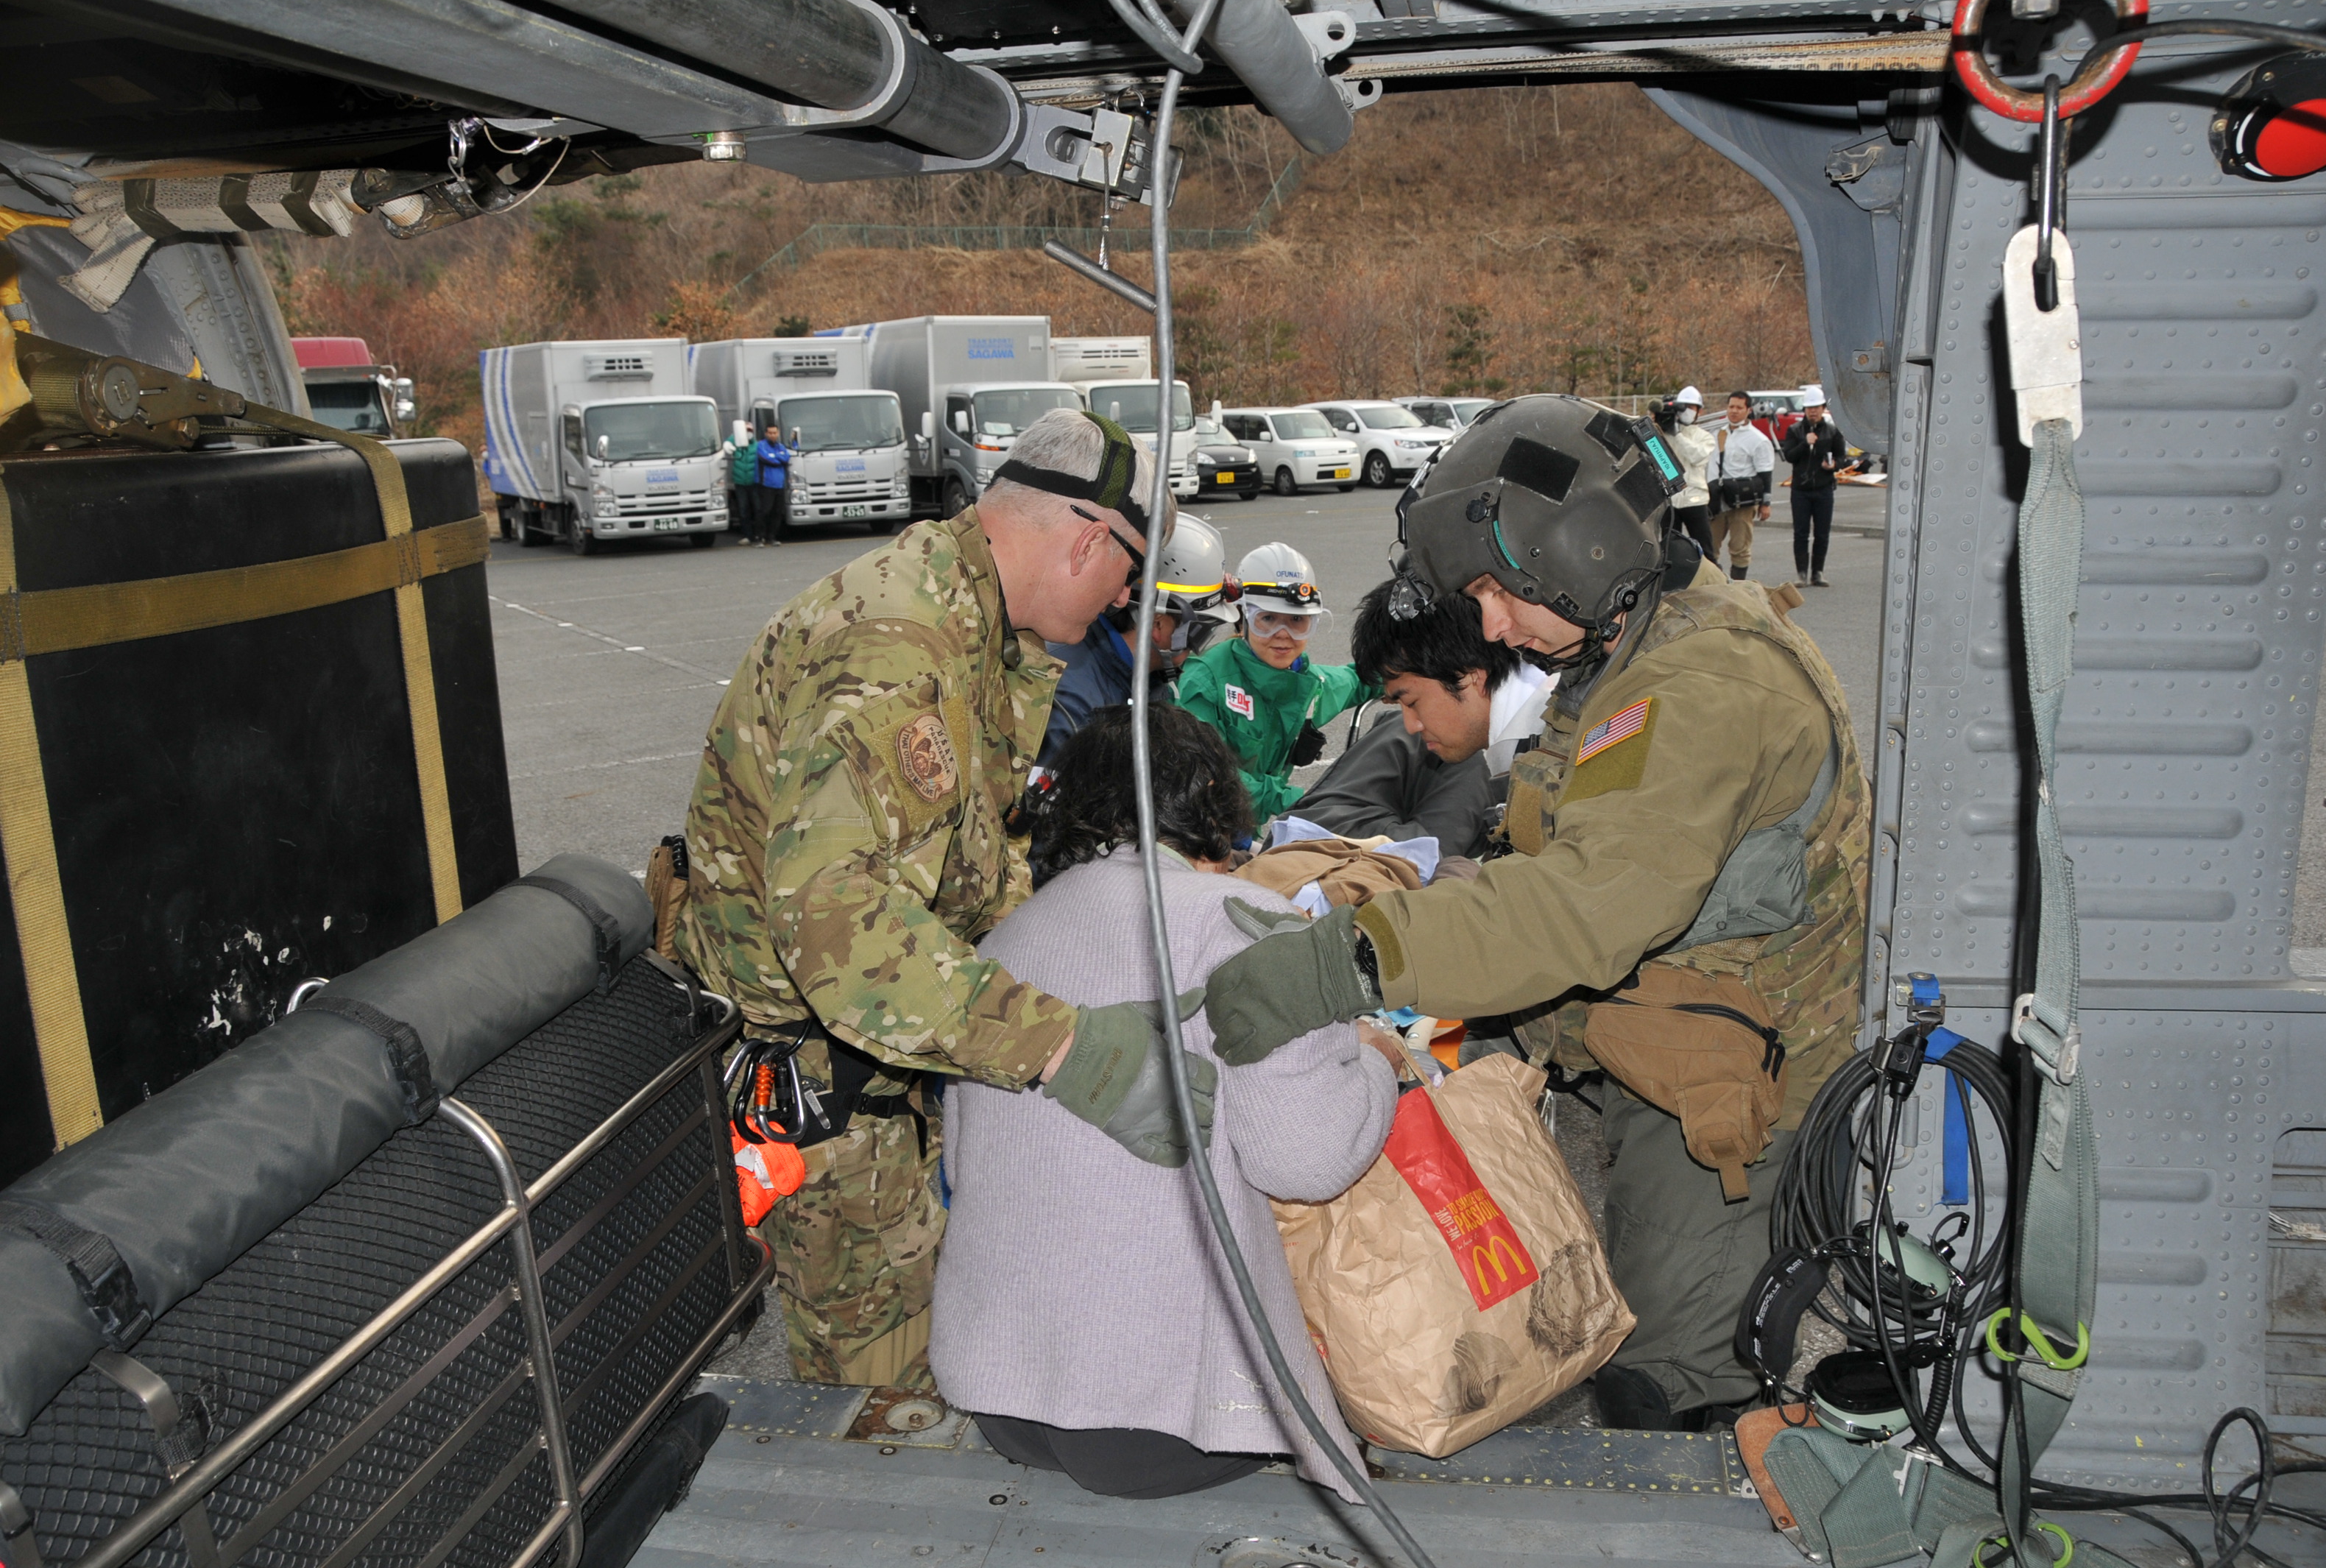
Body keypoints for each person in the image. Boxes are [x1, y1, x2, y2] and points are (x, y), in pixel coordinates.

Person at [1200, 395, 1870, 1433]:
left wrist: (1351, 960)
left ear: (1584, 550)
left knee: (1662, 1390)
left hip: (1730, 1086)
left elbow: (1583, 909)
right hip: (1661, 1037)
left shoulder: (1705, 685)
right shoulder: (1630, 648)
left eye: (1499, 596)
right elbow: (1570, 849)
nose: (1496, 628)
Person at [676, 409, 1213, 1387]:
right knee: (896, 1401)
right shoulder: (900, 641)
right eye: (1129, 574)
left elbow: (964, 864)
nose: (1129, 600)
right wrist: (1065, 1047)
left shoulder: (964, 626)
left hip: (883, 1080)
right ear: (1090, 537)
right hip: (832, 1111)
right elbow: (843, 926)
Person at [933, 704, 1394, 1502]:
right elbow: (1309, 1159)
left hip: (997, 1389)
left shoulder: (1000, 945)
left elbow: (966, 1162)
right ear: (1213, 802)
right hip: (1176, 1421)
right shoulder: (1249, 924)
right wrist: (1380, 1064)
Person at [1287, 579, 1548, 858]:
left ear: (1471, 675)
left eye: (1412, 702)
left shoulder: (1554, 749)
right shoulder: (1524, 728)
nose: (1411, 725)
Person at [1174, 542, 1376, 827]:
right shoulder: (1206, 681)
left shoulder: (1311, 686)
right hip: (1194, 830)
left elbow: (1362, 681)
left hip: (1246, 830)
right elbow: (1209, 774)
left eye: (1297, 621)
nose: (1283, 635)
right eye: (1267, 619)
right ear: (1243, 617)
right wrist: (1300, 800)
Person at [1041, 512, 1237, 761]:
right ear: (1157, 625)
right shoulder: (1072, 703)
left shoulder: (1145, 675)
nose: (1198, 649)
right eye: (1201, 632)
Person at [1702, 389, 1773, 581]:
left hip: (1743, 501)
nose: (1734, 411)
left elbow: (1766, 473)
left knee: (1740, 548)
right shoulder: (1715, 432)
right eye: (1731, 406)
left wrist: (1766, 503)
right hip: (1716, 498)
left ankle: (1738, 588)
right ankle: (1712, 588)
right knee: (1709, 547)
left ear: (1748, 410)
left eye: (1739, 408)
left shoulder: (1758, 440)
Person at [1781, 384, 1839, 587]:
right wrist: (1805, 443)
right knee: (1801, 532)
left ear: (1823, 408)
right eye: (1809, 408)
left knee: (1822, 532)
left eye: (1816, 407)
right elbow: (1788, 456)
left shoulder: (1832, 431)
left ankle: (1818, 572)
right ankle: (1802, 573)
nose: (1813, 411)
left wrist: (1834, 465)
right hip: (1801, 490)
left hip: (1824, 488)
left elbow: (1842, 456)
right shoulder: (1795, 430)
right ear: (1804, 410)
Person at [1663, 386, 1717, 557]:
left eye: (1692, 408)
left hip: (1695, 499)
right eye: (1683, 406)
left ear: (1699, 411)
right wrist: (1660, 426)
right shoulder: (1666, 433)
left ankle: (1711, 581)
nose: (1687, 411)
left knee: (1706, 550)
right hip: (1671, 498)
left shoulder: (1705, 437)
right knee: (1668, 549)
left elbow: (1696, 456)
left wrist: (1677, 435)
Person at [750, 422, 792, 547]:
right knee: (764, 512)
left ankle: (771, 537)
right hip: (765, 485)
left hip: (779, 485)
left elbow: (786, 458)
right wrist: (778, 457)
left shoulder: (780, 446)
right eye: (770, 433)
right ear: (766, 434)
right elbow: (768, 460)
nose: (773, 435)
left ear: (778, 433)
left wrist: (777, 456)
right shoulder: (761, 446)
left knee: (777, 512)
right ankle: (758, 537)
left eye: (775, 433)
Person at [729, 420, 760, 543]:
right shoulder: (736, 443)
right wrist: (735, 437)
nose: (749, 433)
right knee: (743, 510)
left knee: (757, 509)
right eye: (746, 431)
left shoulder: (757, 445)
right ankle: (747, 535)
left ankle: (758, 535)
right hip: (740, 482)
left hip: (754, 482)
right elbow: (727, 442)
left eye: (750, 431)